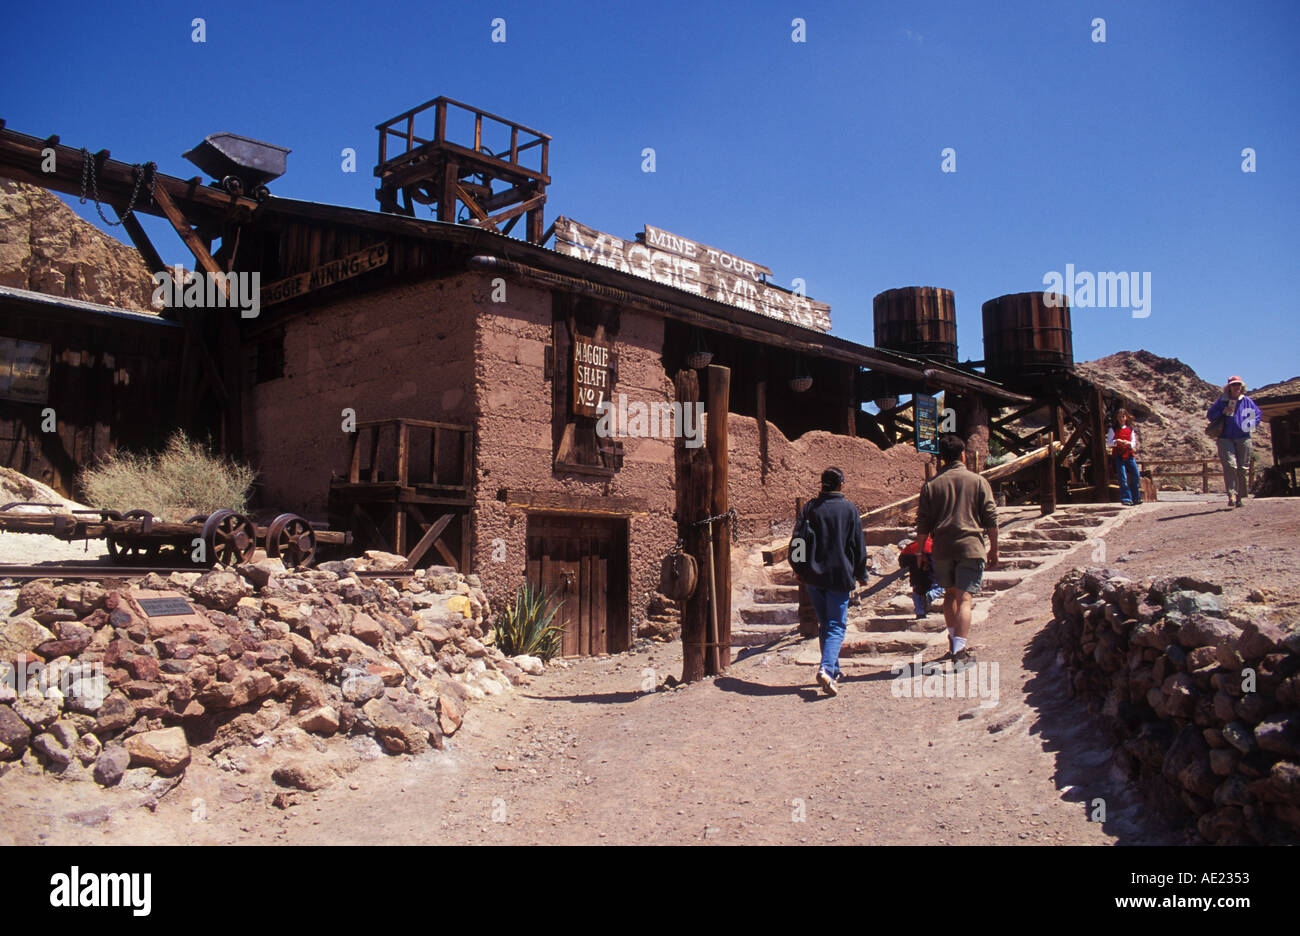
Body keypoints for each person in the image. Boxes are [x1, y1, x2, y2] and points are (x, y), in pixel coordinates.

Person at [915, 434, 998, 673]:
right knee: (965, 599)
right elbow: (991, 518)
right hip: (970, 546)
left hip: (942, 549)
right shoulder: (978, 481)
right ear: (963, 455)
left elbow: (923, 524)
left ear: (942, 459)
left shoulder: (931, 486)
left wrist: (921, 552)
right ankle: (960, 652)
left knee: (949, 596)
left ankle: (953, 642)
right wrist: (994, 548)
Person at [788, 467, 869, 696]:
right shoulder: (849, 509)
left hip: (813, 576)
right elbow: (857, 545)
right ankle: (826, 668)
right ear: (841, 484)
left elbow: (797, 541)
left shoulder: (810, 508)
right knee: (836, 626)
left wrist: (798, 569)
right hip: (839, 576)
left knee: (826, 624)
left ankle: (832, 669)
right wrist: (861, 573)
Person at [1208, 376, 1263, 508]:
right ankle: (1231, 494)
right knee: (1229, 465)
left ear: (1242, 386)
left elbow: (1257, 414)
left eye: (1238, 385)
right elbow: (1210, 415)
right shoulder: (1222, 401)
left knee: (1242, 468)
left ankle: (1240, 497)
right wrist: (1222, 411)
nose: (1236, 387)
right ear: (1229, 387)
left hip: (1243, 437)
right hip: (1225, 438)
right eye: (1233, 385)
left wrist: (1250, 425)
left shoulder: (1247, 401)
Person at [899, 535, 944, 618]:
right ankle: (929, 596)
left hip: (916, 578)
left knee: (917, 593)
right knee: (940, 587)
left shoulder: (910, 547)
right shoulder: (937, 546)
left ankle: (920, 613)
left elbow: (902, 563)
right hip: (932, 577)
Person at [1106, 408, 1143, 506]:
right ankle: (1126, 498)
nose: (1121, 419)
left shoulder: (1130, 429)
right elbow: (1109, 442)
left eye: (1123, 416)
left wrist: (1128, 443)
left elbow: (1133, 442)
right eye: (1119, 417)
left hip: (1129, 455)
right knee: (1123, 477)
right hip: (1119, 455)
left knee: (1136, 475)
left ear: (1126, 417)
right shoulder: (1113, 429)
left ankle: (1136, 497)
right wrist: (1116, 442)